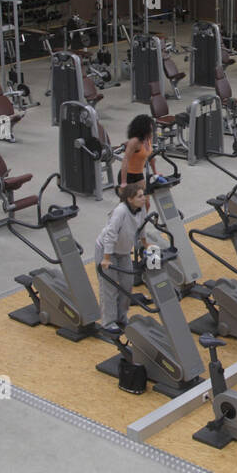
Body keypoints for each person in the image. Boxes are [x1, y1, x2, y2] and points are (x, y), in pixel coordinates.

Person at [95, 182, 150, 329]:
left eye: (143, 195)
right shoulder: (120, 211)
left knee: (127, 284)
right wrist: (106, 258)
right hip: (107, 250)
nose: (143, 198)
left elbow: (142, 227)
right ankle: (108, 322)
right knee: (110, 286)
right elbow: (110, 235)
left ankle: (121, 316)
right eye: (139, 196)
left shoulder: (141, 208)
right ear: (130, 199)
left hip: (123, 251)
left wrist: (145, 244)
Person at [120, 114, 158, 188]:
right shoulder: (134, 142)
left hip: (139, 174)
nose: (151, 131)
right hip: (128, 175)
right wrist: (123, 182)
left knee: (145, 198)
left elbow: (151, 158)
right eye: (149, 129)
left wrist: (155, 173)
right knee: (134, 198)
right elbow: (126, 160)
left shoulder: (148, 139)